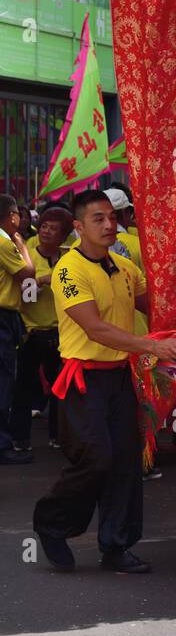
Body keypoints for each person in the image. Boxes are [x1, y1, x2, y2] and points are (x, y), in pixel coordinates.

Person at [33, 190, 176, 573]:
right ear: (79, 227)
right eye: (98, 219)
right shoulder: (69, 270)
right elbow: (95, 328)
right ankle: (52, 523)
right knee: (95, 460)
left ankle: (116, 545)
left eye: (112, 217)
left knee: (126, 463)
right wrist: (150, 348)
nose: (109, 224)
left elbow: (156, 309)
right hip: (82, 380)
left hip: (119, 378)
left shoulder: (123, 266)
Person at [10, 206, 73, 451]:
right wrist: (43, 280)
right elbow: (24, 298)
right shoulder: (28, 258)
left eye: (54, 229)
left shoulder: (68, 259)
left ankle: (59, 436)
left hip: (61, 332)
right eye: (45, 226)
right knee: (24, 388)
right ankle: (20, 438)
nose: (46, 232)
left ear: (63, 235)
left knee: (61, 388)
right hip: (32, 332)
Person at [0, 194, 36, 465]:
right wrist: (22, 246)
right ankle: (3, 443)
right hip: (3, 317)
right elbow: (28, 273)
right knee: (4, 379)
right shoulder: (4, 241)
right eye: (17, 215)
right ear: (12, 216)